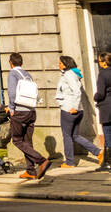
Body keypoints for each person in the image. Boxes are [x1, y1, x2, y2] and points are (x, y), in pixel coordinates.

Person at [6, 52, 49, 181]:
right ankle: (30, 170)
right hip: (31, 111)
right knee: (27, 142)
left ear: (11, 63)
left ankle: (41, 161)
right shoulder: (27, 75)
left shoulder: (13, 73)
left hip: (20, 111)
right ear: (21, 63)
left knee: (17, 140)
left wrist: (11, 108)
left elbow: (12, 93)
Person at [55, 55, 101, 168]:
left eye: (60, 63)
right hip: (77, 110)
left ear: (66, 64)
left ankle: (70, 162)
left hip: (69, 109)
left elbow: (77, 92)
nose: (58, 65)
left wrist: (74, 107)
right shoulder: (74, 74)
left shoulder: (68, 75)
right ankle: (98, 152)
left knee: (67, 136)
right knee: (75, 136)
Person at [93, 51, 111, 171]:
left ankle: (108, 162)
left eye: (99, 61)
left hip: (107, 107)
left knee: (108, 134)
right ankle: (105, 162)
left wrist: (95, 97)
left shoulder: (102, 74)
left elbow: (100, 93)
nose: (99, 63)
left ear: (104, 62)